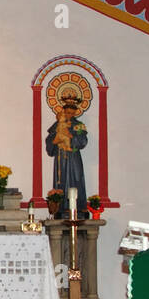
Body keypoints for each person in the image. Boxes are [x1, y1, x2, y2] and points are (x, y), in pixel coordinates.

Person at [46, 90, 89, 218]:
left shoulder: (79, 126)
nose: (69, 115)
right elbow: (50, 141)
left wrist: (70, 136)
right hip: (60, 156)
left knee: (76, 179)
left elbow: (83, 141)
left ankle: (78, 208)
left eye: (72, 113)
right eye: (67, 112)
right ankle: (60, 208)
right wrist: (55, 140)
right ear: (63, 111)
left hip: (74, 157)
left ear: (76, 112)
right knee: (61, 179)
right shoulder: (57, 125)